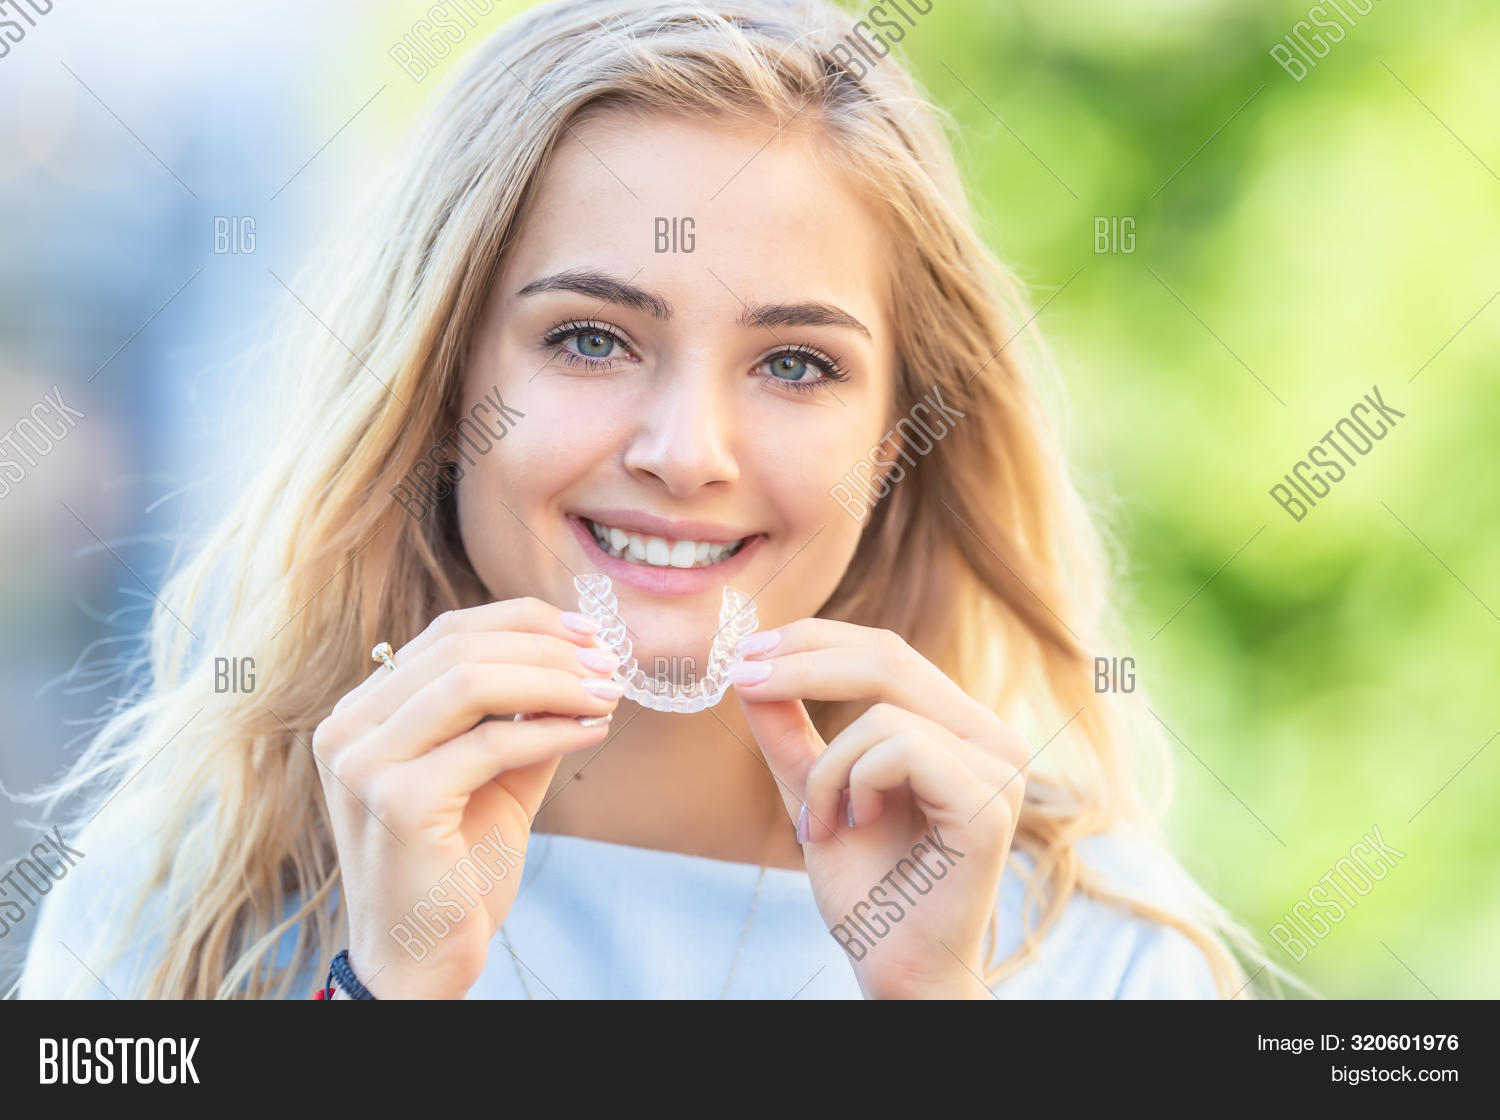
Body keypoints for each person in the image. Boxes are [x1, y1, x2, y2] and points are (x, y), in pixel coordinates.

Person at [20, 0, 1276, 999]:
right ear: (443, 386)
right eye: (590, 340)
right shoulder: (175, 904)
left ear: (899, 440)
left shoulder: (1096, 953)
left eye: (796, 363)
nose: (688, 452)